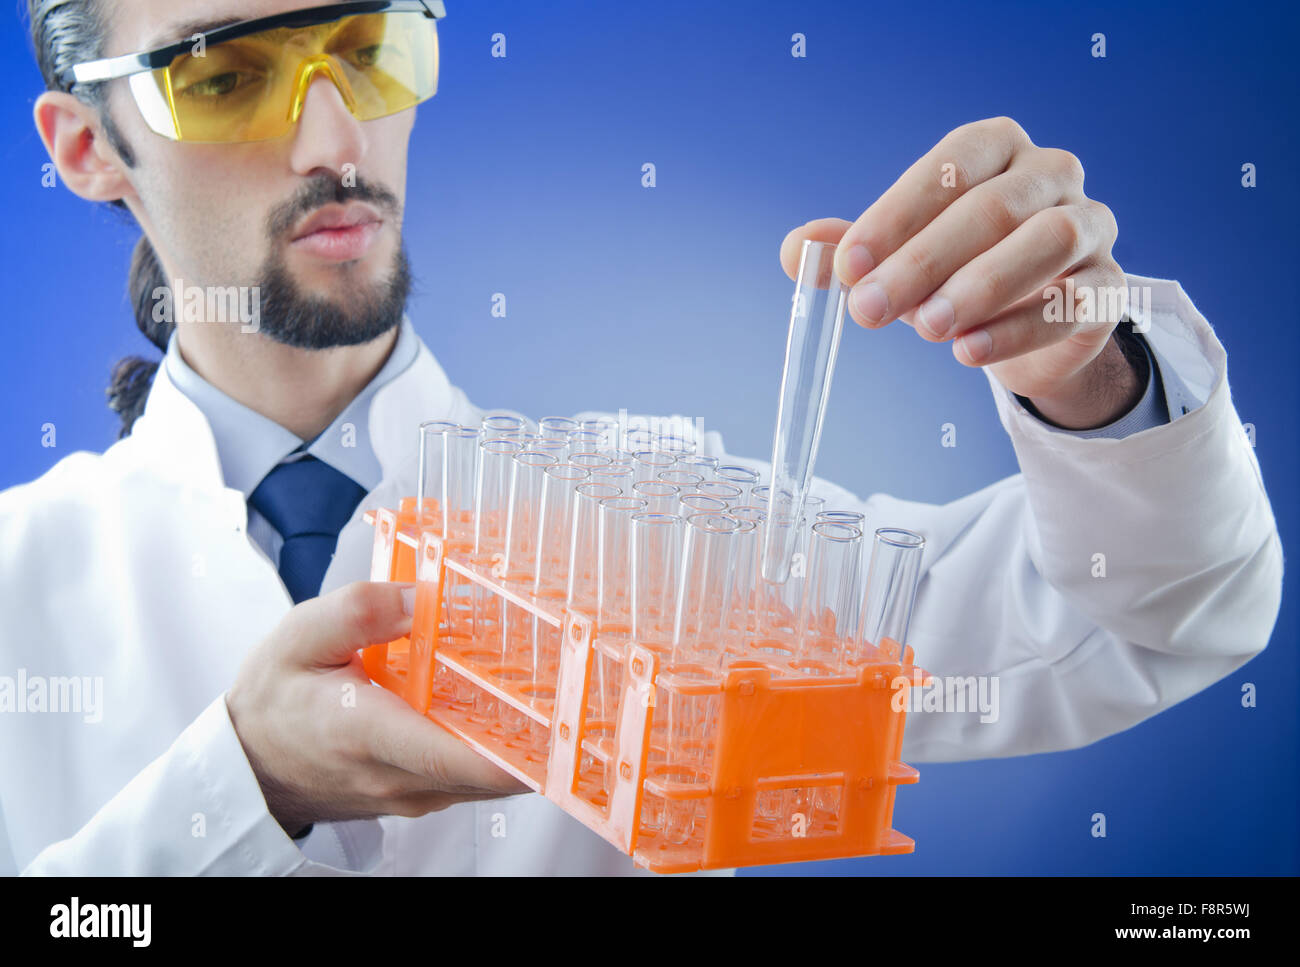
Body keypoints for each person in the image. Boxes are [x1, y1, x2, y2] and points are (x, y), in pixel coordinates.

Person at [1, 0, 1281, 875]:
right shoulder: (21, 585)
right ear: (84, 148)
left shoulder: (644, 535)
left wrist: (1090, 375)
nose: (335, 142)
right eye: (223, 74)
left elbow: (1147, 621)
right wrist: (247, 785)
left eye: (371, 44)